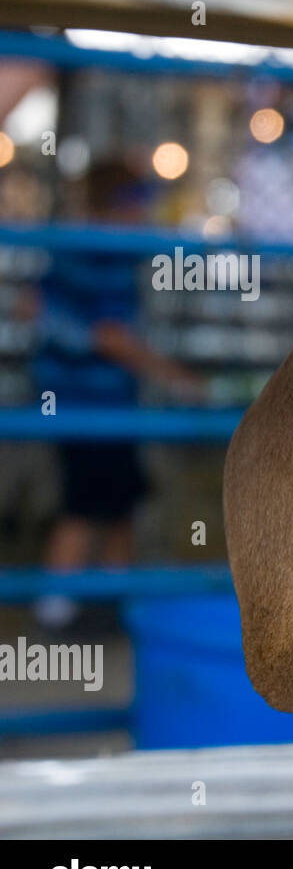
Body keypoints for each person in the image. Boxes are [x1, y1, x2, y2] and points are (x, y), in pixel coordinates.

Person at [28, 160, 204, 629]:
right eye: (138, 205)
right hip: (86, 403)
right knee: (85, 504)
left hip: (101, 401)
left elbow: (40, 306)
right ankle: (58, 606)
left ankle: (112, 602)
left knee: (120, 500)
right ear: (120, 206)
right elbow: (110, 337)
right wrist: (174, 376)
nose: (143, 216)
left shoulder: (98, 250)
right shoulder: (92, 253)